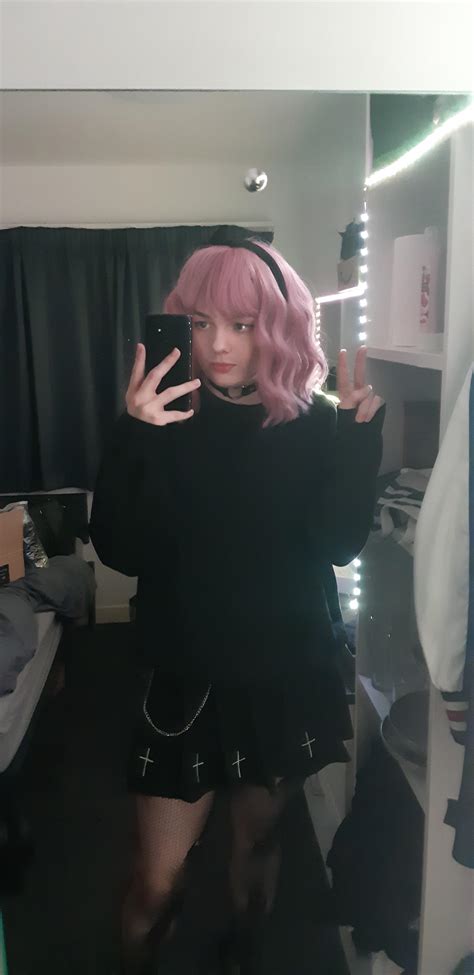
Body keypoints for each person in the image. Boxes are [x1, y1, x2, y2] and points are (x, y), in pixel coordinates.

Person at [89, 238, 385, 974]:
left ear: (278, 326)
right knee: (157, 879)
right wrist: (132, 436)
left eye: (243, 324)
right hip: (185, 678)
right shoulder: (163, 418)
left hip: (282, 674)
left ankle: (245, 956)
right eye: (200, 322)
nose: (218, 344)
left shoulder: (318, 424)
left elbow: (338, 544)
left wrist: (358, 440)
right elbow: (119, 550)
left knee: (258, 845)